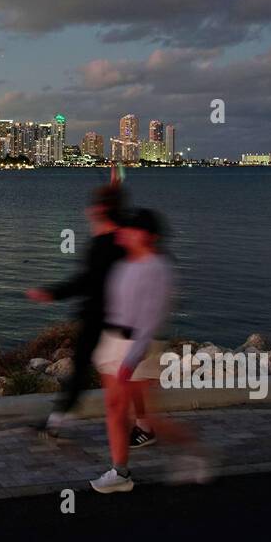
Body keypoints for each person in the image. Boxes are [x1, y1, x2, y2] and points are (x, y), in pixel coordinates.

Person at [89, 208, 208, 493]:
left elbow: (151, 317)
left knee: (142, 415)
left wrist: (130, 359)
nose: (125, 233)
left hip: (139, 347)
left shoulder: (157, 269)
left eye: (131, 229)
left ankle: (194, 453)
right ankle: (121, 472)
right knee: (117, 409)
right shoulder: (127, 263)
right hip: (116, 342)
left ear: (147, 235)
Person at [26, 183, 128, 435]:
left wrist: (52, 293)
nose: (88, 210)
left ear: (101, 209)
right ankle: (58, 420)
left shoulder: (103, 243)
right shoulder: (123, 240)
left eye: (93, 206)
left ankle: (60, 421)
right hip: (117, 318)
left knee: (87, 369)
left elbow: (88, 281)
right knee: (99, 371)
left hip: (100, 318)